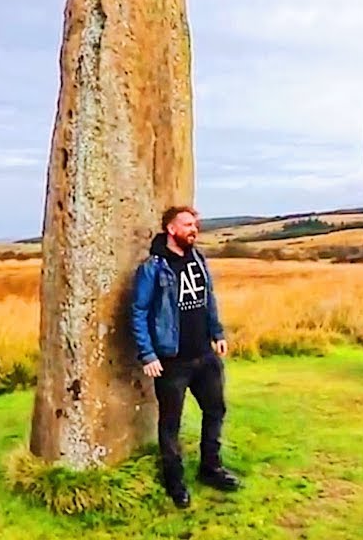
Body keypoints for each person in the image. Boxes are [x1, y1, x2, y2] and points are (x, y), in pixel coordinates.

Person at [130, 205, 240, 509]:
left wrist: (217, 333)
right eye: (188, 224)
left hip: (205, 355)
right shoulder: (153, 267)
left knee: (215, 410)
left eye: (195, 224)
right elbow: (138, 312)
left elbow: (208, 298)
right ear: (171, 229)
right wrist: (148, 354)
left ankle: (211, 468)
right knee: (170, 424)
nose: (194, 229)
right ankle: (175, 482)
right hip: (172, 360)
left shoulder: (198, 258)